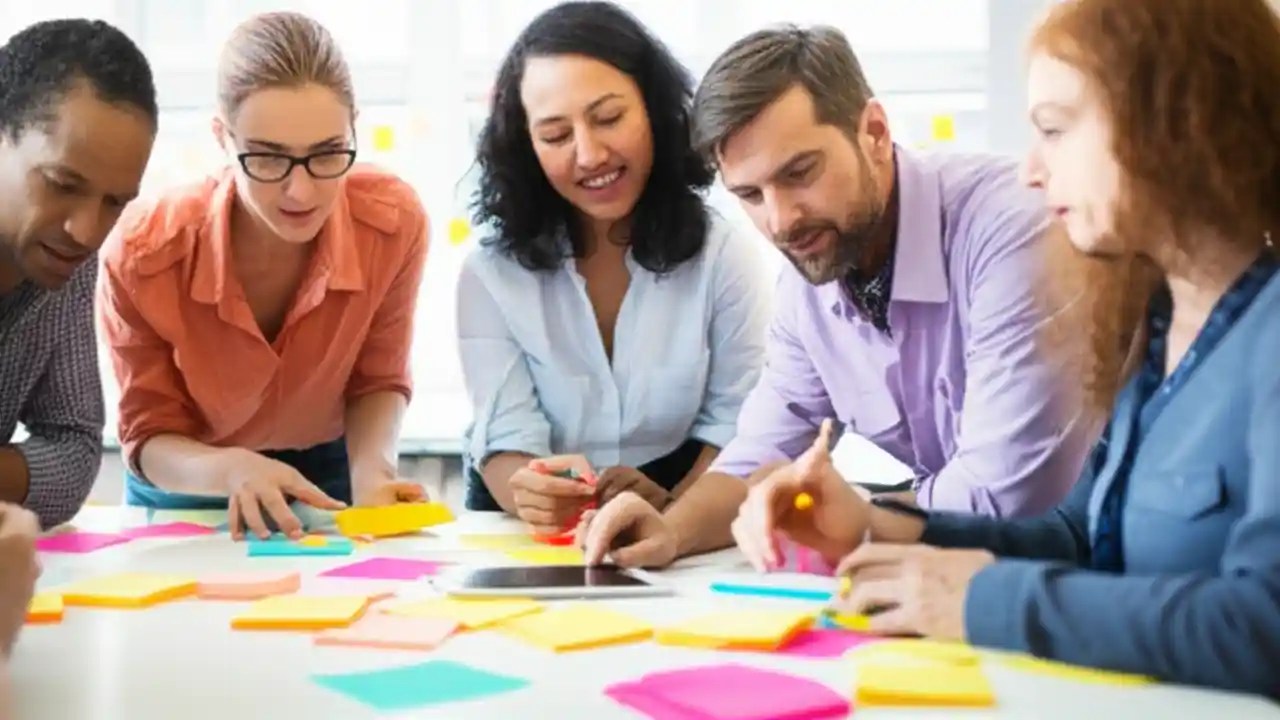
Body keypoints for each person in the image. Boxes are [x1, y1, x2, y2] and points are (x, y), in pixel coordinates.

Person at [737, 0, 1280, 697]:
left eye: (1054, 130)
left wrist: (982, 602)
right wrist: (881, 525)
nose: (1030, 170)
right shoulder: (1167, 325)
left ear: (1174, 127)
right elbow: (1082, 538)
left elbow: (1264, 625)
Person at [577, 24, 1094, 567]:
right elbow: (757, 459)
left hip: (1095, 579)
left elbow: (1005, 497)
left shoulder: (1014, 231)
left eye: (800, 172)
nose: (780, 221)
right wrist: (671, 530)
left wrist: (852, 515)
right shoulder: (810, 277)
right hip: (959, 577)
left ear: (873, 132)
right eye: (750, 195)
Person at [98, 12, 430, 541]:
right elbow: (149, 432)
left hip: (326, 472)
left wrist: (374, 472)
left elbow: (377, 378)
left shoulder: (392, 222)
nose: (300, 192)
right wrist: (231, 470)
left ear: (353, 130)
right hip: (190, 482)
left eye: (326, 154)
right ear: (222, 139)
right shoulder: (144, 251)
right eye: (268, 159)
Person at [460, 0, 769, 542]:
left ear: (654, 110)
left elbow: (739, 426)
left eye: (608, 118)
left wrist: (674, 512)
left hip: (690, 492)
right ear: (525, 147)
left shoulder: (723, 253)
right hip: (525, 515)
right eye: (555, 136)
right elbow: (506, 437)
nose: (589, 155)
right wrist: (534, 498)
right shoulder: (490, 272)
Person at [0, 19, 157, 529]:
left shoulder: (59, 259)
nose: (87, 232)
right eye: (62, 184)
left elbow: (75, 454)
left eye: (115, 202)